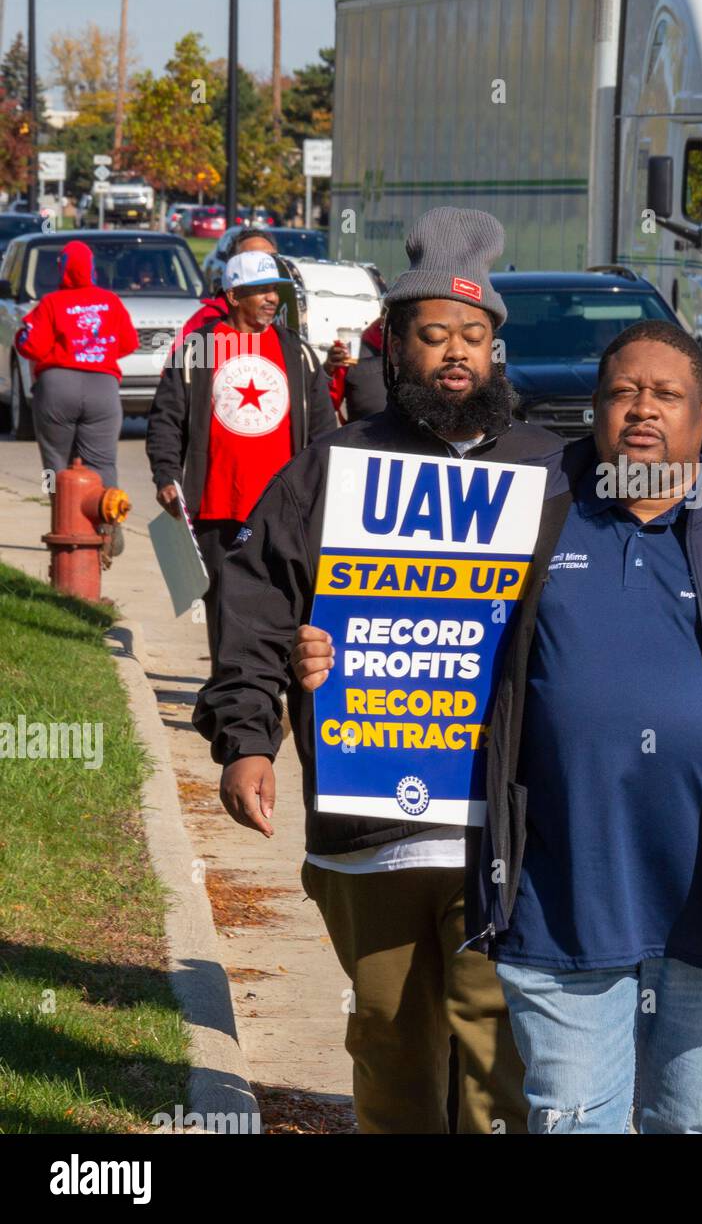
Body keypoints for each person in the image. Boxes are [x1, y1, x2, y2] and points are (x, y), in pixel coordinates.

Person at [294, 318, 702, 1134]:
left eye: (666, 395)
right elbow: (414, 638)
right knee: (571, 1117)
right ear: (594, 412)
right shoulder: (520, 522)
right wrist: (339, 658)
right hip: (562, 895)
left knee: (694, 1117)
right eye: (621, 393)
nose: (642, 410)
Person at [193, 208, 564, 1134]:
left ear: (496, 350)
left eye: (474, 337)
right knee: (393, 1048)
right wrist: (250, 733)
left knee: (496, 1058)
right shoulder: (335, 467)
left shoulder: (553, 471)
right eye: (433, 334)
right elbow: (256, 604)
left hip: (504, 825)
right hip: (369, 829)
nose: (455, 355)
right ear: (394, 346)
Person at [147, 249, 335, 661]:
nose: (271, 298)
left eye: (275, 290)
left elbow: (323, 429)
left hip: (282, 511)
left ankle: (271, 694)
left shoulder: (296, 352)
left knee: (281, 605)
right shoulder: (199, 348)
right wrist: (165, 475)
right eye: (260, 290)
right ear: (233, 297)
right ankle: (229, 699)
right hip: (216, 508)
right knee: (222, 609)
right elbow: (166, 418)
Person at [16, 239, 138, 500]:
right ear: (93, 269)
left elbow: (32, 347)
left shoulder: (51, 303)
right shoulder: (110, 302)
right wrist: (96, 354)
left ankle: (60, 520)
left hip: (56, 387)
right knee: (103, 462)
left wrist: (22, 336)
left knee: (55, 462)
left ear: (62, 269)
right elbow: (130, 342)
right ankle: (107, 525)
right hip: (102, 388)